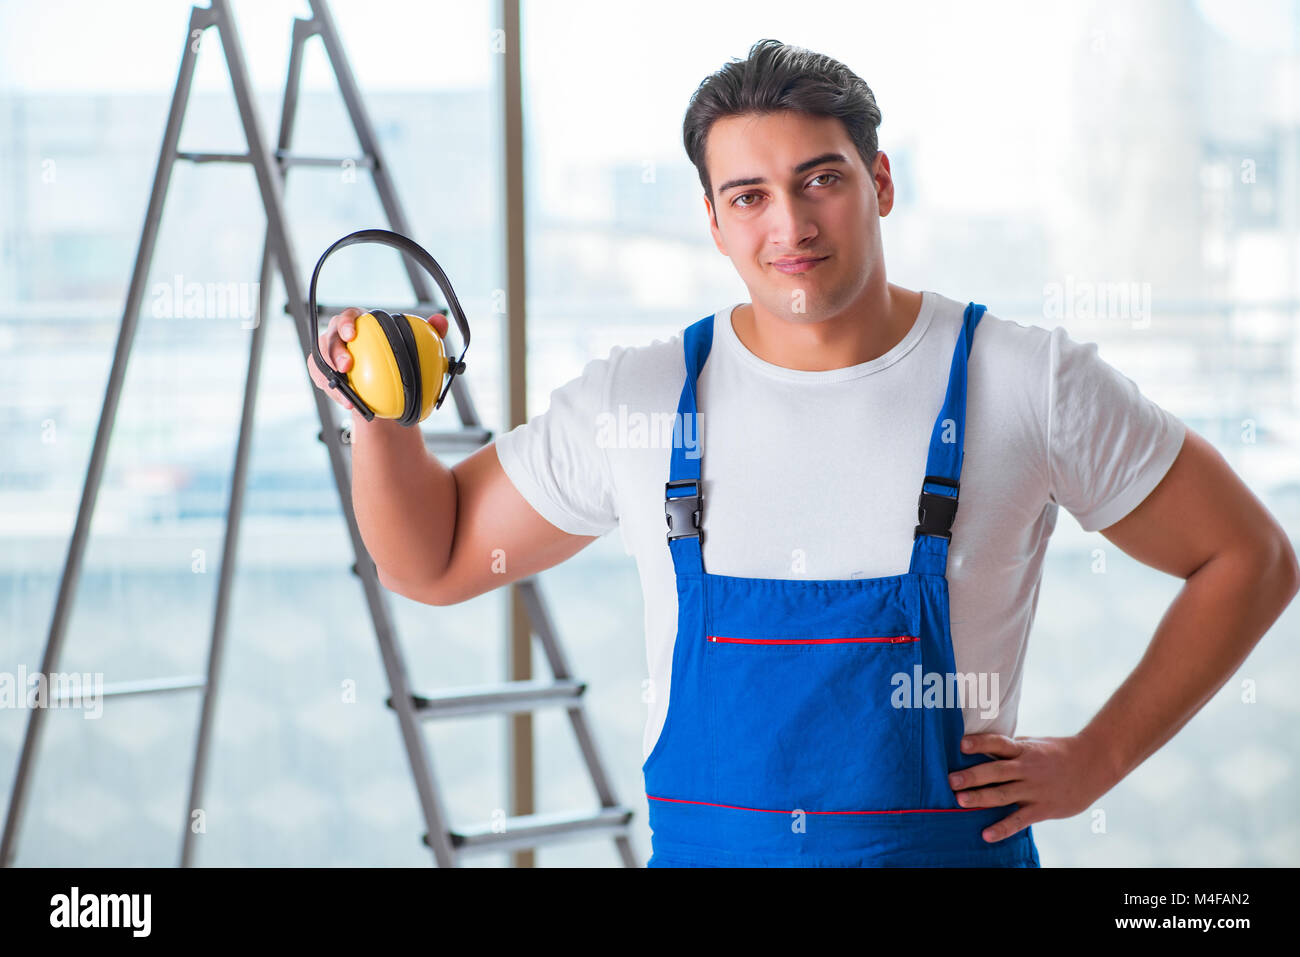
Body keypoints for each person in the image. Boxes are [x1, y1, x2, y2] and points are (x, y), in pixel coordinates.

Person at [307, 39, 1299, 867]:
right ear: (711, 219)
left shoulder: (1023, 380)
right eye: (747, 195)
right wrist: (377, 410)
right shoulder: (642, 400)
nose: (787, 223)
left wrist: (1097, 759)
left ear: (878, 181)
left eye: (818, 179)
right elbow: (431, 561)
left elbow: (1248, 558)